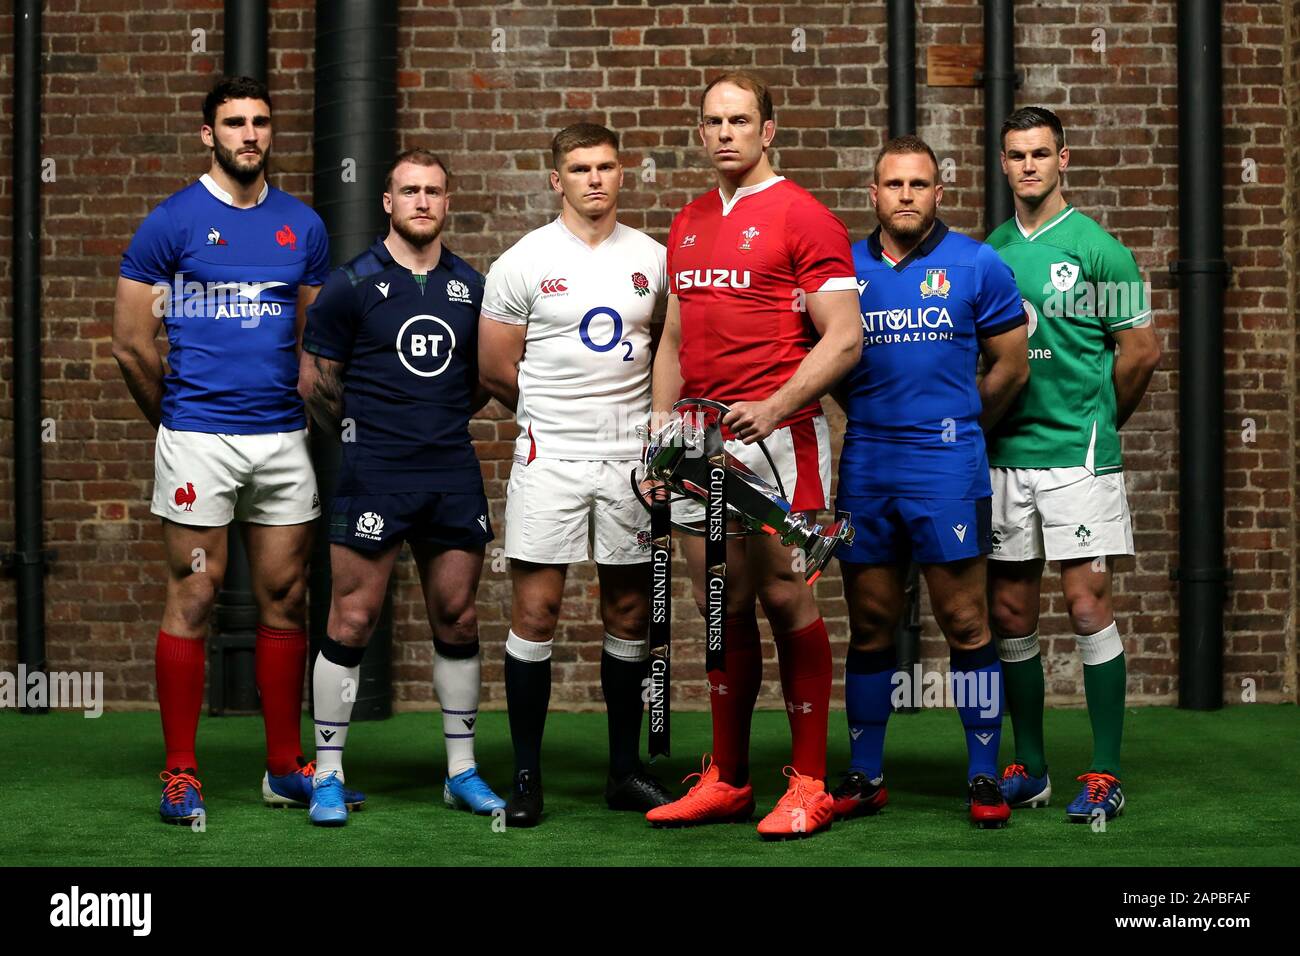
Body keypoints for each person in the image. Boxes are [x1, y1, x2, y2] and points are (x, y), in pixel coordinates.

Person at [113, 75, 344, 823]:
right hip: (198, 438)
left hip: (279, 439)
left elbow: (313, 344)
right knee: (197, 594)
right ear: (208, 134)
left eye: (261, 122)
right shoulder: (172, 222)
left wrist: (311, 409)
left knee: (286, 597)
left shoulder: (301, 225)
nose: (250, 134)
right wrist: (174, 421)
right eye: (235, 123)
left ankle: (283, 767)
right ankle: (180, 770)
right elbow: (131, 345)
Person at [647, 72, 863, 839]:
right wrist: (661, 435)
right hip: (700, 440)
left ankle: (810, 785)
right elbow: (672, 339)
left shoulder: (805, 217)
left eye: (741, 119)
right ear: (701, 132)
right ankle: (728, 777)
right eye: (714, 121)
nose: (727, 132)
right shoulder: (689, 220)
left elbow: (844, 335)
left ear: (769, 130)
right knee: (718, 602)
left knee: (784, 595)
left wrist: (774, 406)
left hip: (782, 437)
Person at [297, 148, 504, 825]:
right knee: (351, 619)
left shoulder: (473, 288)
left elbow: (479, 382)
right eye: (410, 191)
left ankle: (461, 771)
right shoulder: (351, 284)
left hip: (449, 469)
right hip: (373, 471)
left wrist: (431, 425)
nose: (422, 201)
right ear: (387, 201)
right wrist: (367, 435)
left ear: (448, 202)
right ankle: (327, 774)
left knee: (459, 616)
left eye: (434, 191)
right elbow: (317, 383)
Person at [828, 135, 1029, 829]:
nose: (906, 195)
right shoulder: (842, 268)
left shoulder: (978, 263)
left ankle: (981, 775)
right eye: (893, 184)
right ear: (873, 193)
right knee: (872, 622)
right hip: (868, 464)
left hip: (947, 465)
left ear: (938, 192)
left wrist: (960, 421)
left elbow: (1010, 366)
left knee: (966, 621)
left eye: (919, 184)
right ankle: (866, 773)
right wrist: (881, 421)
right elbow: (830, 364)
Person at [477, 124, 671, 827]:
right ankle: (526, 777)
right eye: (580, 168)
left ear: (623, 174)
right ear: (555, 179)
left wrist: (646, 444)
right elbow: (496, 368)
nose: (595, 179)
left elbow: (666, 360)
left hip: (630, 462)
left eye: (607, 166)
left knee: (628, 614)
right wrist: (554, 422)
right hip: (549, 456)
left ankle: (624, 771)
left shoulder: (654, 258)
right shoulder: (522, 261)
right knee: (537, 613)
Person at [986, 107, 1160, 823]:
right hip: (1006, 456)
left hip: (1077, 459)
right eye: (1016, 155)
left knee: (1087, 604)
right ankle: (1029, 766)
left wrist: (1099, 426)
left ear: (1064, 159)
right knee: (1009, 609)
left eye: (1040, 154)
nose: (1028, 166)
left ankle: (1106, 771)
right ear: (1003, 164)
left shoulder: (1098, 250)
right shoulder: (988, 251)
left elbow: (1142, 350)